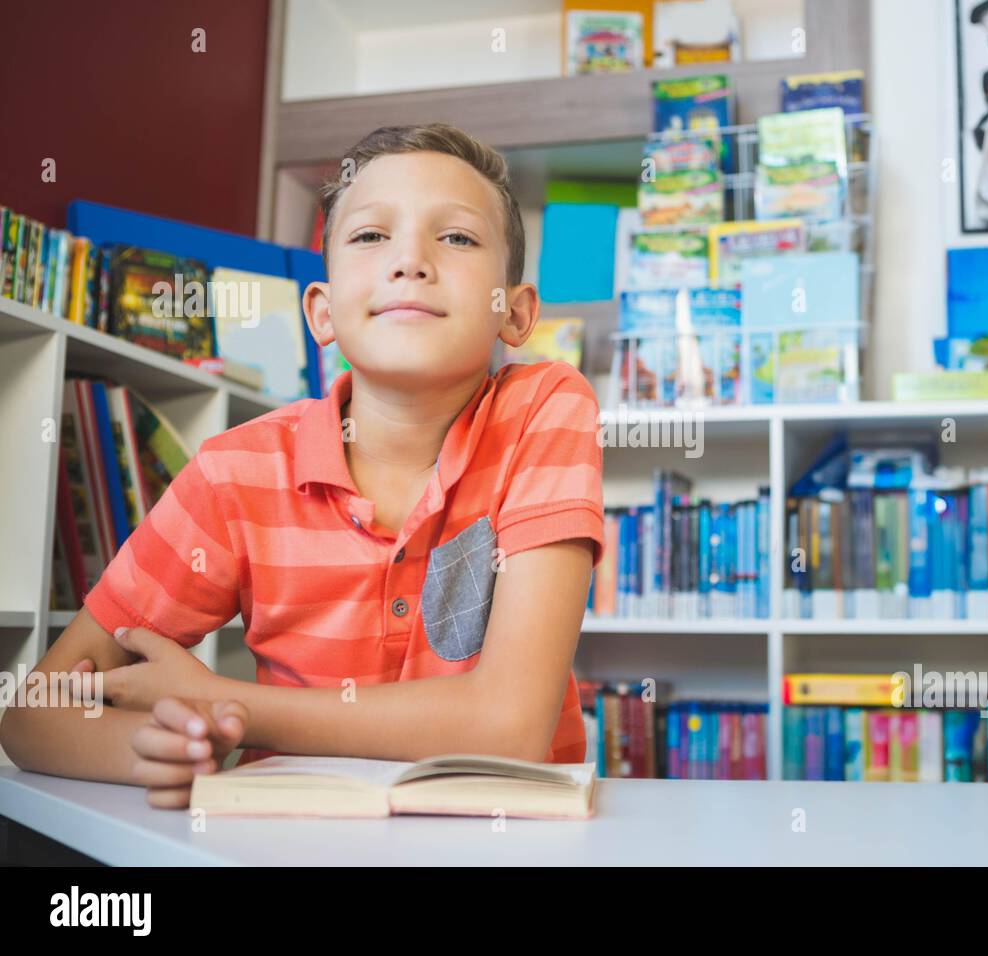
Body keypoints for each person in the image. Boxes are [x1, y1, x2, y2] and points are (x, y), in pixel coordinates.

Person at [0, 124, 605, 809]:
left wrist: (230, 703)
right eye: (371, 236)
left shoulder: (545, 407)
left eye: (458, 237)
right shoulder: (236, 471)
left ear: (516, 313)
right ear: (321, 312)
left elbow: (511, 726)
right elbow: (32, 715)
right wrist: (150, 752)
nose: (410, 260)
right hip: (292, 838)